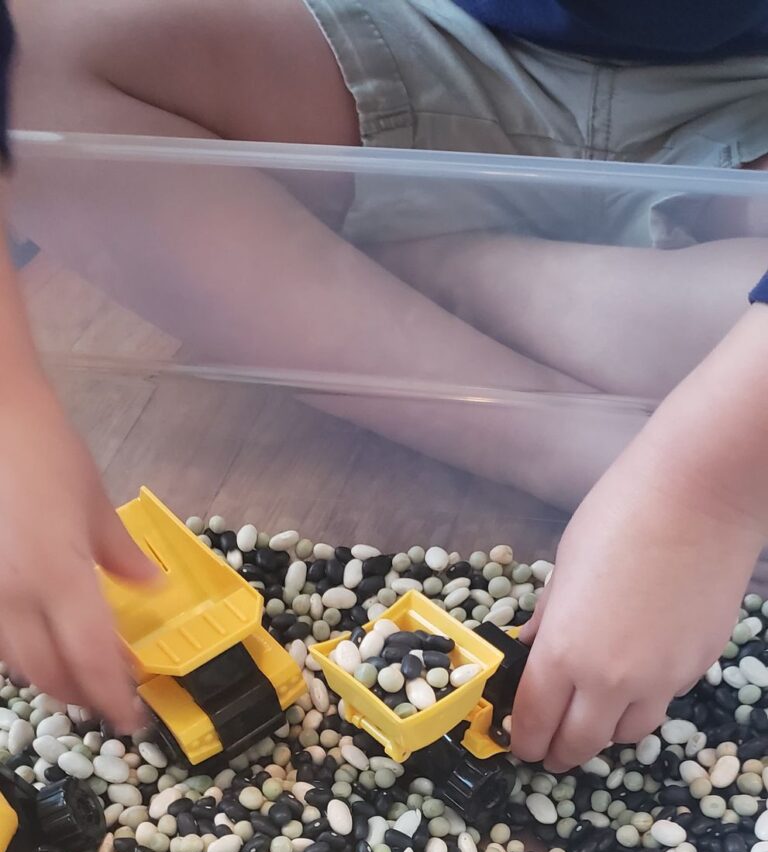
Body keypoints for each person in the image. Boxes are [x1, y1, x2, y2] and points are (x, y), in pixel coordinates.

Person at [1, 0, 768, 772]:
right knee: (34, 74)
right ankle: (569, 432)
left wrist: (700, 495)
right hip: (423, 44)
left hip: (741, 109)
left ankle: (450, 276)